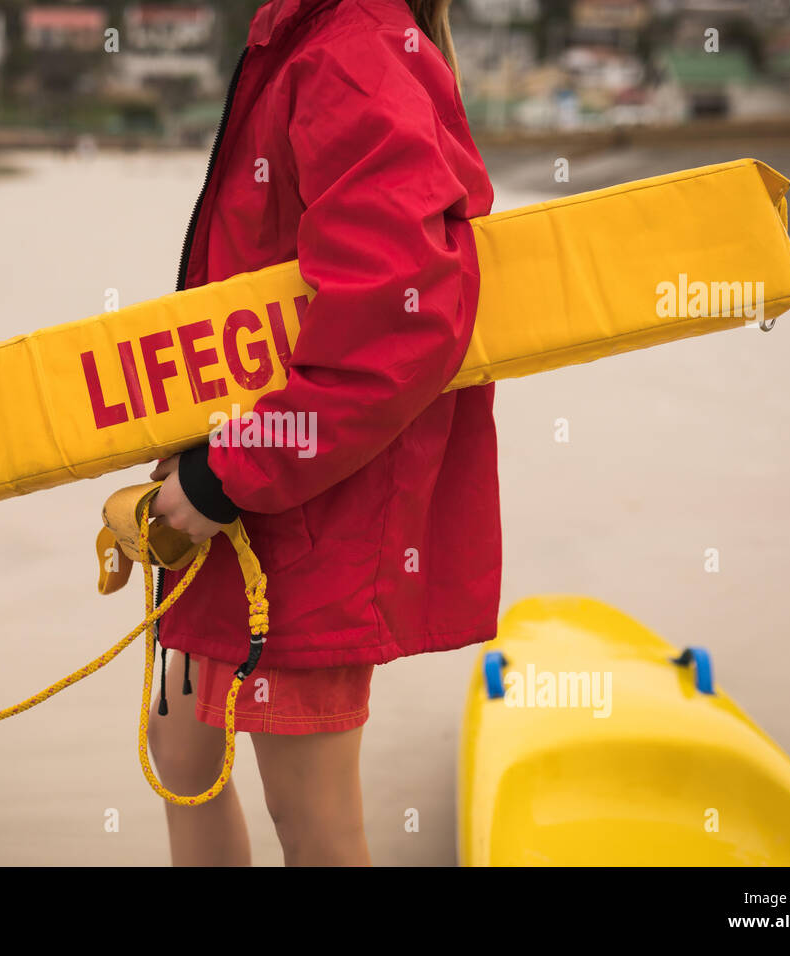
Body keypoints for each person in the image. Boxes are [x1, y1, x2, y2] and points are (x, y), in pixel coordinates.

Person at [144, 0, 502, 867]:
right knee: (179, 750)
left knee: (314, 823)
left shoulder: (352, 52)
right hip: (245, 495)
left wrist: (220, 478)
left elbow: (401, 320)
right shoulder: (300, 37)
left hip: (309, 511)